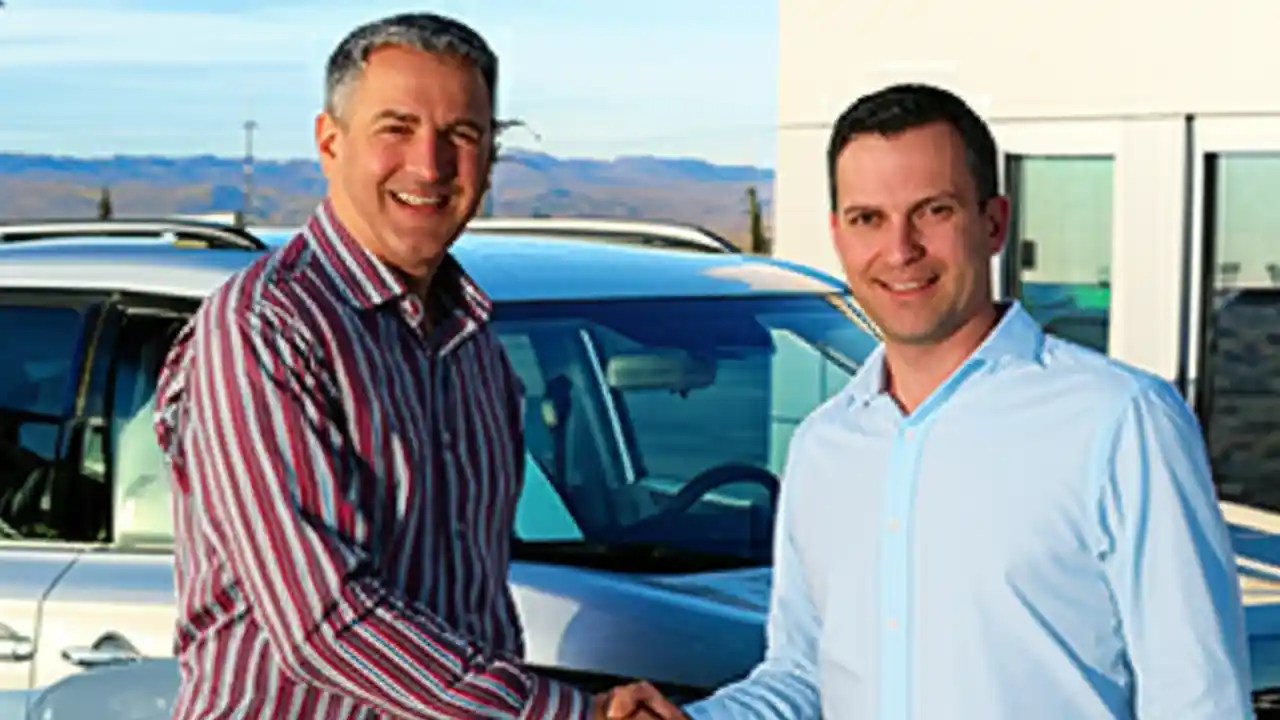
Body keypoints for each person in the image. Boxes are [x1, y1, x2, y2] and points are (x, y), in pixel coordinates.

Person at [603, 83, 1254, 719]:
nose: (900, 250)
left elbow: (1198, 700)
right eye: (868, 219)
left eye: (933, 211)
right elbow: (804, 676)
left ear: (994, 223)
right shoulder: (826, 445)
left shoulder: (1119, 421)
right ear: (838, 234)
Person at [153, 12, 616, 718]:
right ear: (330, 142)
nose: (430, 165)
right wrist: (561, 713)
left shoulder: (474, 349)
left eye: (462, 135)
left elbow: (478, 612)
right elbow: (323, 620)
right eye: (396, 128)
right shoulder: (265, 328)